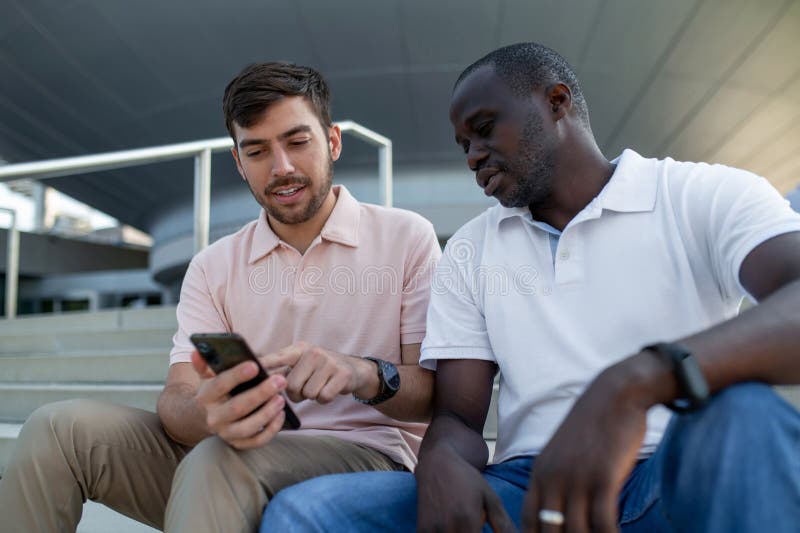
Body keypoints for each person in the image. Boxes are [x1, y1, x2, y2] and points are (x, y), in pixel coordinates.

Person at [261, 42, 800, 533]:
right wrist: (443, 463)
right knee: (306, 513)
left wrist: (636, 382)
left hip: (678, 470)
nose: (472, 154)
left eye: (485, 127)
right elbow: (456, 417)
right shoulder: (471, 248)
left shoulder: (698, 193)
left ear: (557, 102)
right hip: (528, 493)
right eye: (463, 143)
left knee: (744, 414)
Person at [0, 62, 441, 532]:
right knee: (57, 429)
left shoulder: (405, 237)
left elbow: (436, 396)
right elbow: (178, 398)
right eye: (257, 151)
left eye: (297, 141)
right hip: (231, 452)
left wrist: (363, 373)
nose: (282, 168)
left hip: (369, 459)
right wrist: (210, 414)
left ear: (332, 140)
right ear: (237, 161)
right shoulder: (214, 265)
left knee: (218, 463)